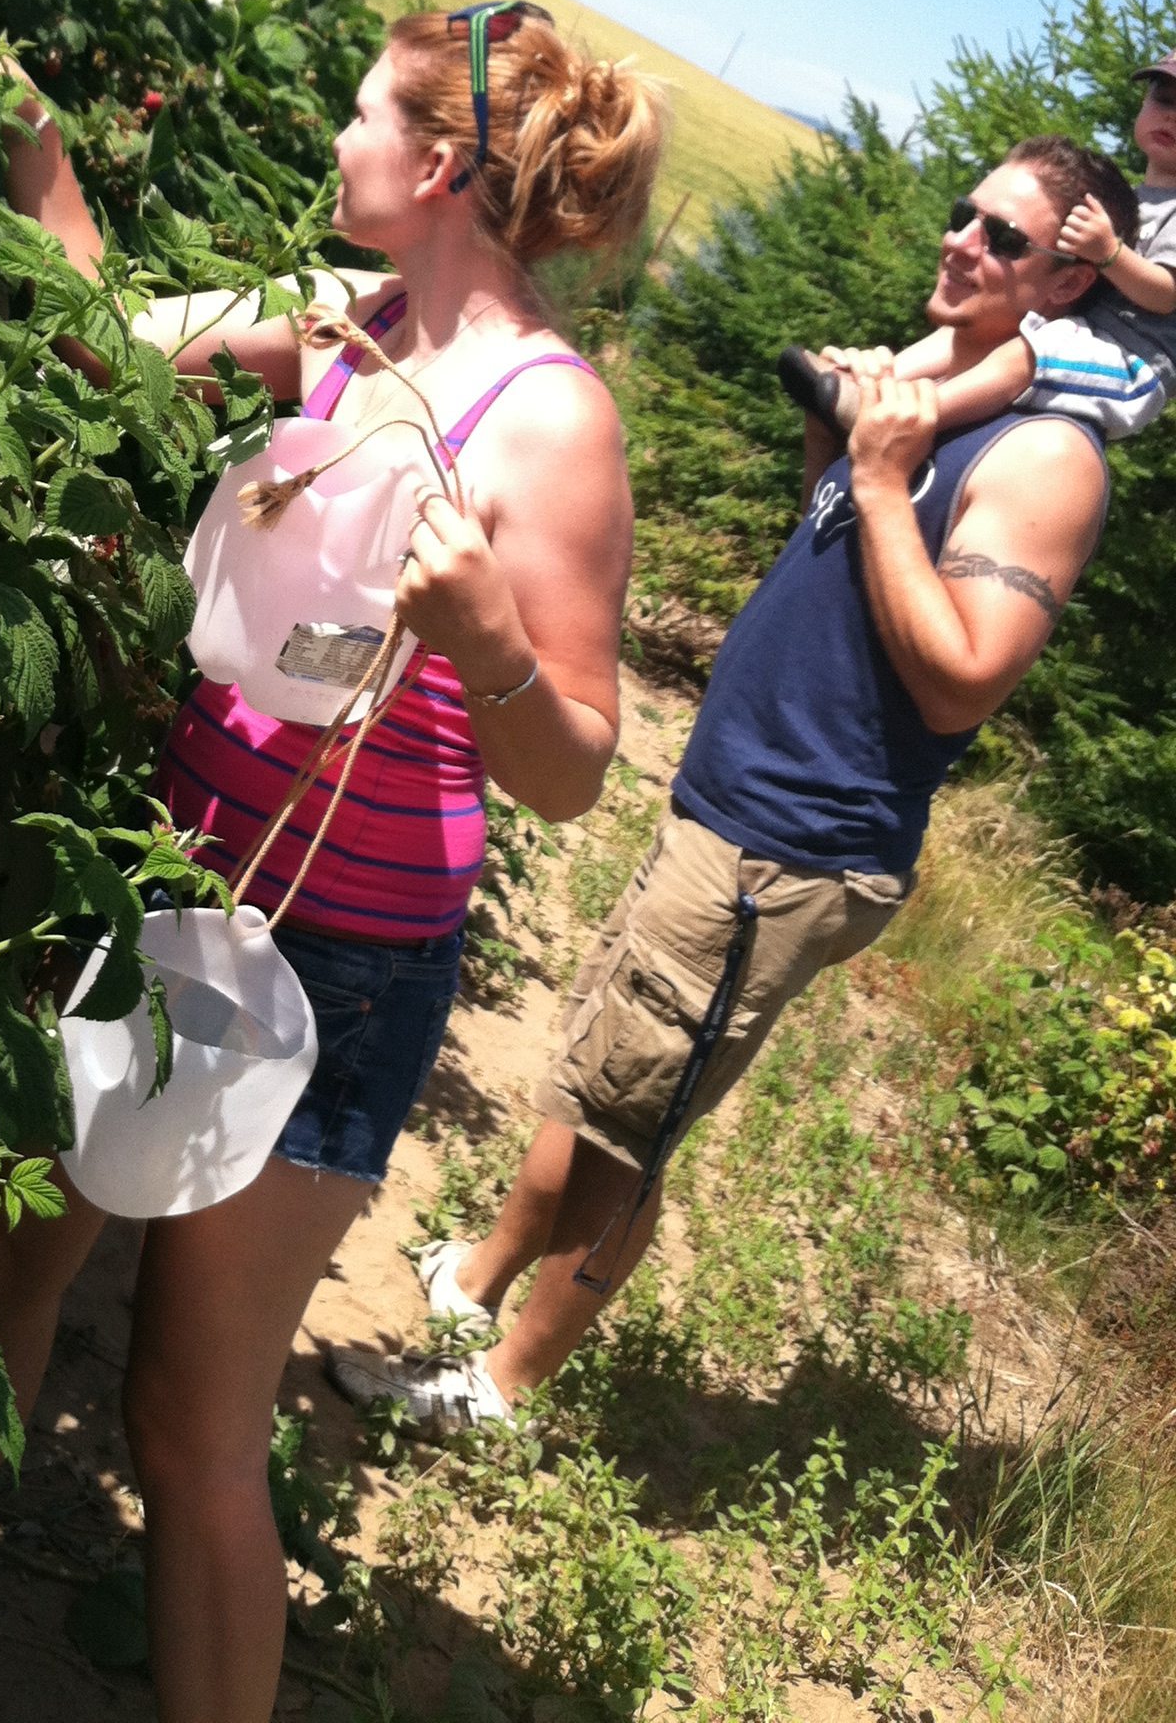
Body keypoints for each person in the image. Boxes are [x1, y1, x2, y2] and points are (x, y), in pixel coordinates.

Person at [0, 0, 666, 1721]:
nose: (335, 129)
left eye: (363, 110)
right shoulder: (349, 327)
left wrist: (486, 636)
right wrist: (27, 125)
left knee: (186, 1415)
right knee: (16, 1259)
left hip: (335, 962)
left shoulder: (547, 422)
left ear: (437, 165)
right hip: (181, 889)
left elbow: (576, 767)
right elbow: (107, 335)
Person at [330, 135, 1117, 1434]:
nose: (962, 240)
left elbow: (962, 678)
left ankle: (503, 1388)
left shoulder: (1048, 458)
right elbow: (850, 579)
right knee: (598, 1070)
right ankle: (479, 1281)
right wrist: (837, 455)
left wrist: (874, 478)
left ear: (1070, 286)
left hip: (789, 848)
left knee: (631, 1133)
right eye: (965, 213)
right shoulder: (936, 409)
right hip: (730, 808)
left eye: (1006, 239)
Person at [781, 57, 1176, 443]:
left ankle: (900, 417)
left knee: (1022, 356)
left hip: (1134, 366)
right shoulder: (1140, 197)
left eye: (1003, 238)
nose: (1172, 117)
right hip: (1089, 332)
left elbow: (1167, 296)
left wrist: (1110, 253)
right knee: (976, 328)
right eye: (1164, 98)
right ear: (1142, 103)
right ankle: (867, 384)